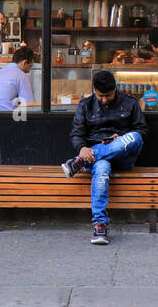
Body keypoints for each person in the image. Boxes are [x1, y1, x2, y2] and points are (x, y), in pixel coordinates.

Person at [60, 69, 148, 246]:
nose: (105, 99)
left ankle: (78, 163)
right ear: (94, 90)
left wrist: (120, 139)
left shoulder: (130, 103)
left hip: (123, 155)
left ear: (115, 89)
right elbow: (76, 133)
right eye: (101, 96)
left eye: (108, 95)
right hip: (96, 158)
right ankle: (100, 225)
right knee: (101, 167)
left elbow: (142, 130)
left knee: (134, 138)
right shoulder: (85, 105)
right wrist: (82, 148)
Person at [0, 46, 35, 111]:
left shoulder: (0, 72)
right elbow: (30, 105)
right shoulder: (22, 76)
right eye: (30, 66)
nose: (29, 71)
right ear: (24, 63)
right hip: (6, 117)